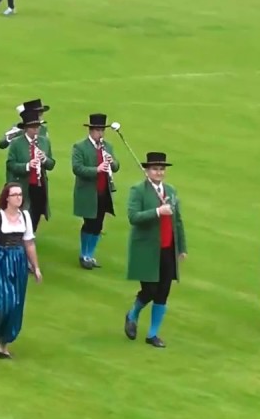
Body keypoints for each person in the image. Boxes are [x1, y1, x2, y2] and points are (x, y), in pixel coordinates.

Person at [123, 151, 187, 348]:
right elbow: (133, 217)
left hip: (168, 248)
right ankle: (132, 314)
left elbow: (177, 221)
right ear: (147, 171)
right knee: (150, 289)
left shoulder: (171, 191)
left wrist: (182, 247)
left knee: (163, 292)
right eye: (155, 169)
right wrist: (158, 211)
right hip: (147, 249)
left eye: (161, 169)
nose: (159, 172)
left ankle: (153, 334)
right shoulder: (138, 190)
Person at [0, 182, 42, 359]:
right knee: (2, 303)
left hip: (18, 262)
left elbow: (29, 243)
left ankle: (2, 343)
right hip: (1, 262)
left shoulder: (25, 217)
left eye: (20, 194)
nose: (18, 198)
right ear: (7, 197)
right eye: (15, 195)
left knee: (16, 304)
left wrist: (35, 267)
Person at [72, 113, 119, 269]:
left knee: (98, 225)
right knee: (89, 224)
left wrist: (112, 162)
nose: (101, 133)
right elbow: (77, 168)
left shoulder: (107, 147)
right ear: (91, 130)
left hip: (103, 192)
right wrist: (96, 170)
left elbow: (116, 167)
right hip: (88, 193)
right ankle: (84, 254)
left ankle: (90, 254)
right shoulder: (80, 147)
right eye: (98, 130)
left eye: (102, 130)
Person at [5, 109, 54, 232]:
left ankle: (30, 235)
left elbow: (51, 164)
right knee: (24, 212)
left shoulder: (44, 141)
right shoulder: (16, 143)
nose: (36, 130)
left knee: (36, 213)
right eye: (33, 127)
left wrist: (44, 159)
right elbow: (10, 164)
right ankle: (21, 237)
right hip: (24, 185)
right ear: (26, 128)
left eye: (37, 126)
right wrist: (27, 166)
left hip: (40, 185)